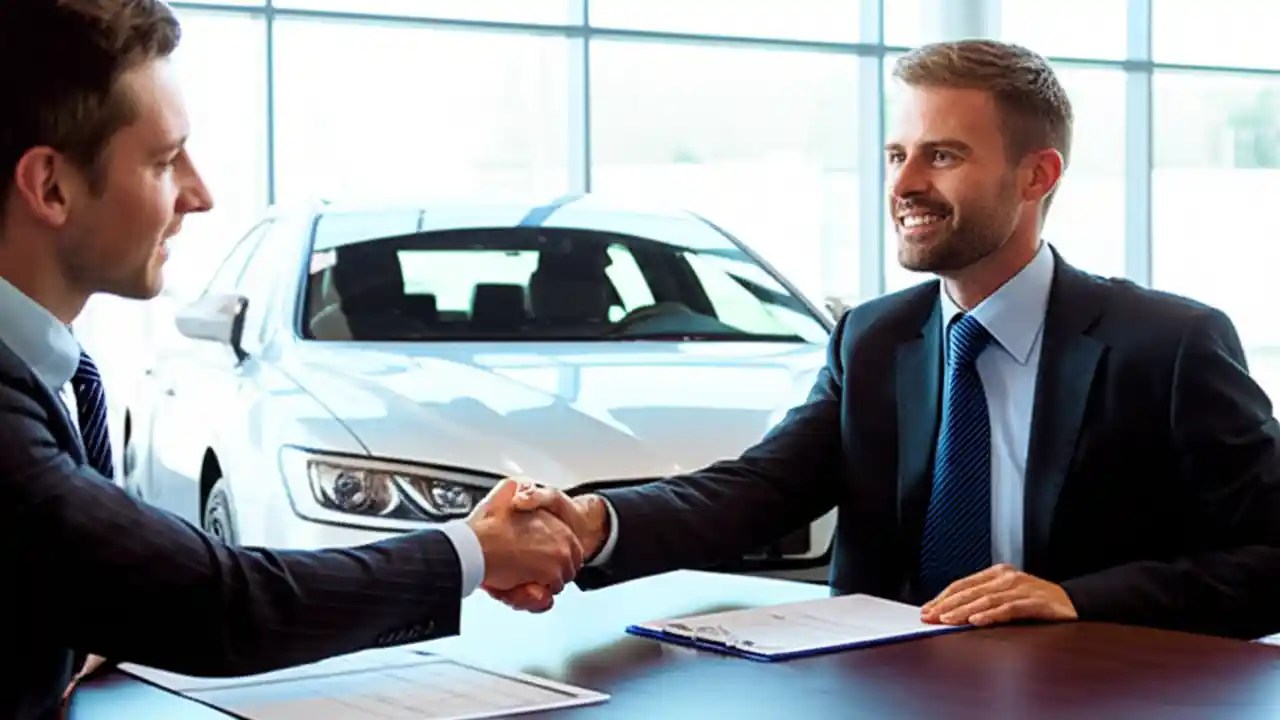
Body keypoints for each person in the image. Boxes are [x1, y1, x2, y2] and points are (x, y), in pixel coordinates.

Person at [498, 38, 1280, 640]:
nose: (904, 185)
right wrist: (598, 523)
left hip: (1091, 696)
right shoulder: (872, 338)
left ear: (1037, 175)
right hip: (886, 692)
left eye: (942, 155)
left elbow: (1270, 560)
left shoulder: (1170, 346)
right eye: (897, 155)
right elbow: (757, 490)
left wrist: (1075, 598)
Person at [0, 2, 587, 717]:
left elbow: (83, 586)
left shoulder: (47, 372)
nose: (200, 194)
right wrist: (475, 549)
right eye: (162, 160)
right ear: (51, 187)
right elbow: (220, 600)